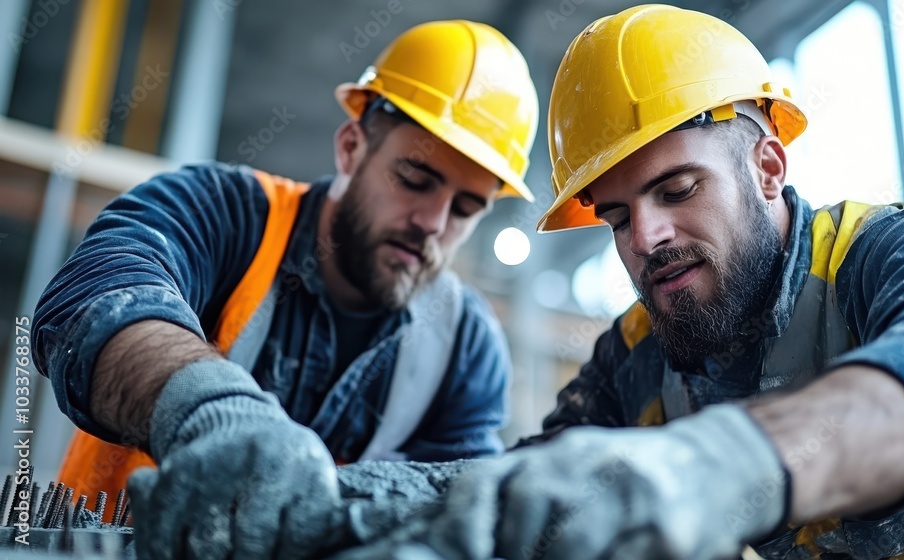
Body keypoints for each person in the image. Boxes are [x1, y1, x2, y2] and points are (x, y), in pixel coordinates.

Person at [376, 5, 904, 560]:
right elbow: (530, 490)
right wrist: (357, 500)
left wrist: (721, 467)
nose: (645, 238)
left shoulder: (892, 254)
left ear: (767, 168)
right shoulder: (636, 353)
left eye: (677, 191)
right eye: (616, 218)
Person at [30, 19, 538, 559]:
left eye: (465, 209)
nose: (434, 223)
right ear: (350, 147)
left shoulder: (465, 348)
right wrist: (210, 409)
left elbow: (455, 519)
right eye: (415, 179)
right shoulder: (223, 212)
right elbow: (88, 300)